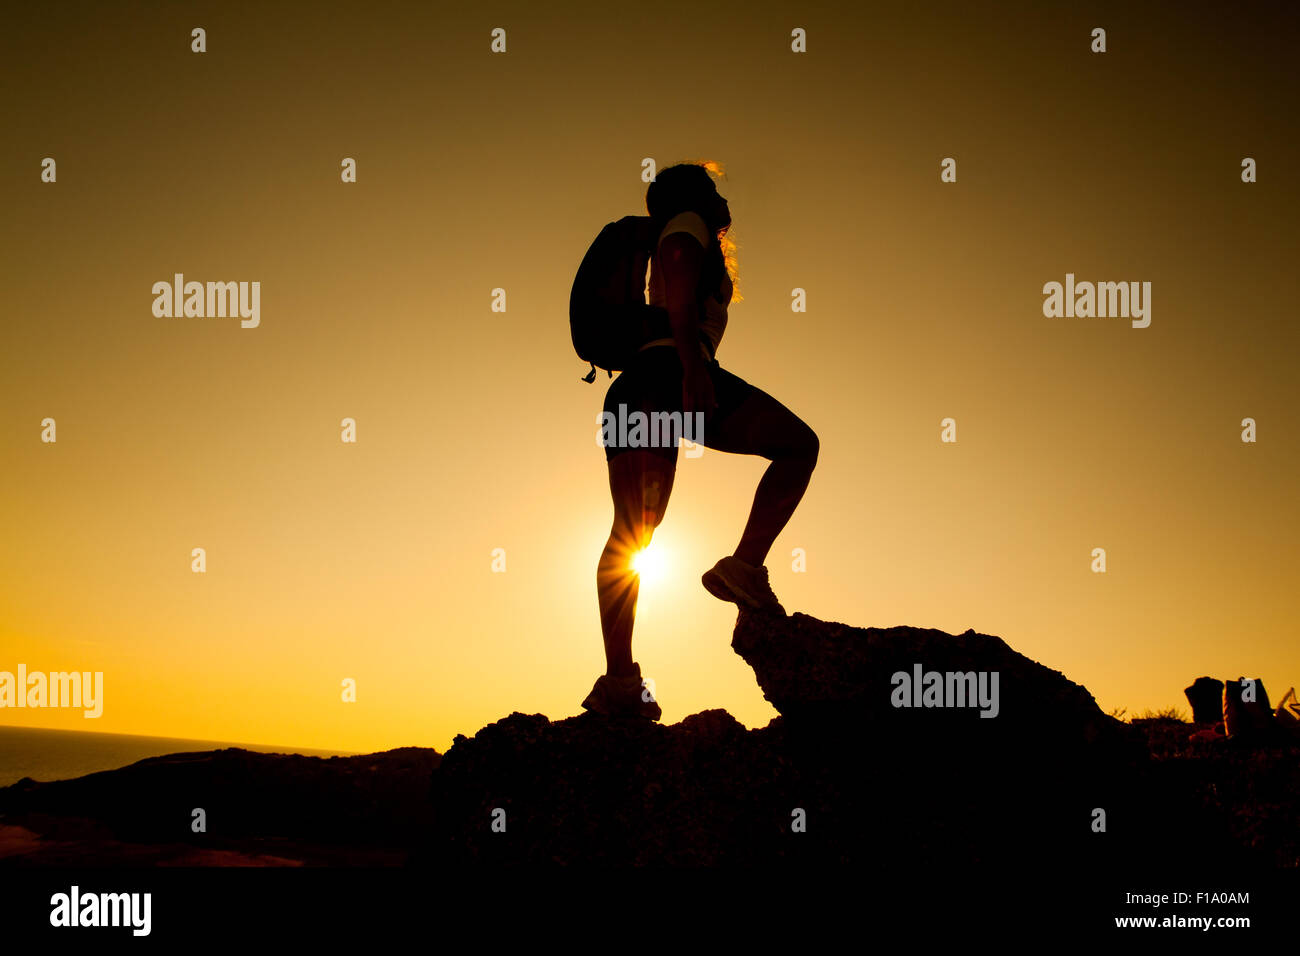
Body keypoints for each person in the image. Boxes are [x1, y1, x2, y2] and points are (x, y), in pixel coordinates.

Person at [582, 162, 819, 720]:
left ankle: (620, 680)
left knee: (631, 534)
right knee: (798, 446)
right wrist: (693, 368)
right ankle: (744, 568)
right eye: (714, 188)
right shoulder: (686, 222)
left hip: (639, 388)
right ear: (695, 197)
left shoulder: (682, 227)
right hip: (668, 374)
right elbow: (681, 283)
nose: (722, 198)